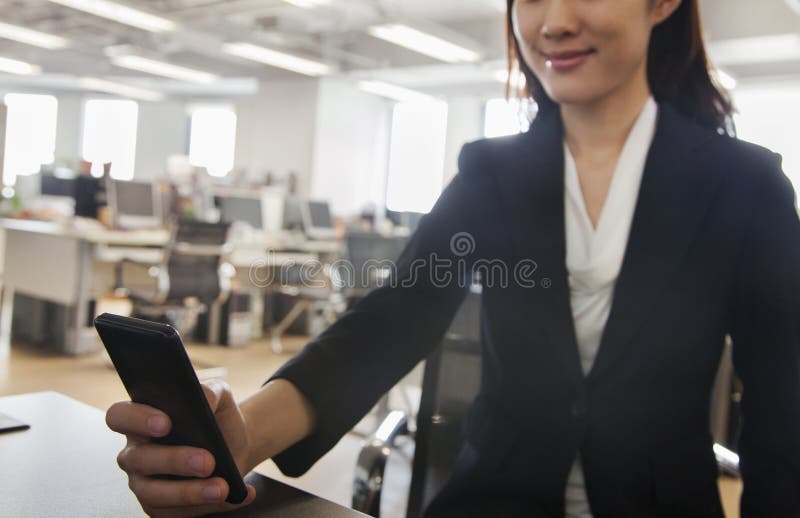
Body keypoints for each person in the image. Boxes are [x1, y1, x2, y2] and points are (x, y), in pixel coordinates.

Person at [105, 0, 800, 516]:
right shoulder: (491, 172)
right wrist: (242, 434)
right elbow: (396, 316)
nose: (551, 22)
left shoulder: (745, 186)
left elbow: (783, 404)